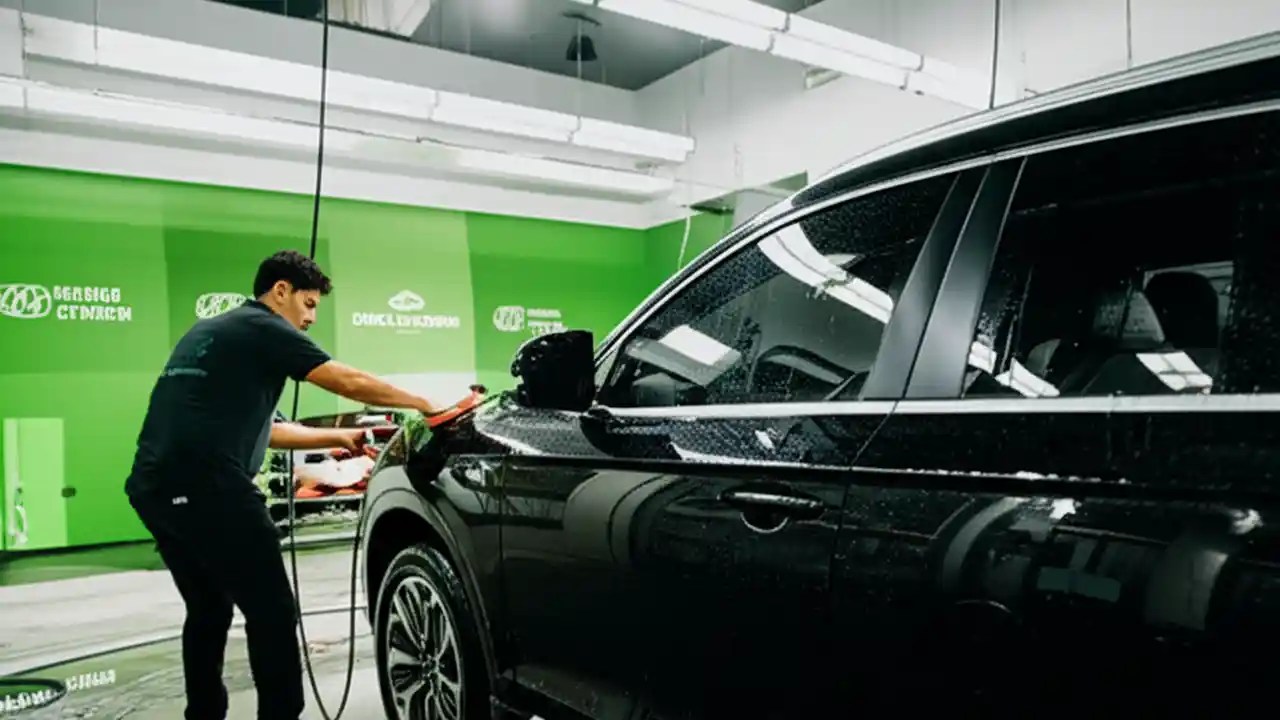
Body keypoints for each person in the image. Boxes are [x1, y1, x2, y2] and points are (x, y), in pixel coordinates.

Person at [124, 250, 453, 720]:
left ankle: (203, 715)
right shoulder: (263, 326)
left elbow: (272, 430)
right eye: (309, 303)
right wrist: (426, 403)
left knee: (209, 609)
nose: (311, 318)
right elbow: (346, 380)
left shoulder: (217, 332)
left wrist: (341, 437)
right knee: (273, 611)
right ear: (281, 291)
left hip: (153, 488)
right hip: (208, 484)